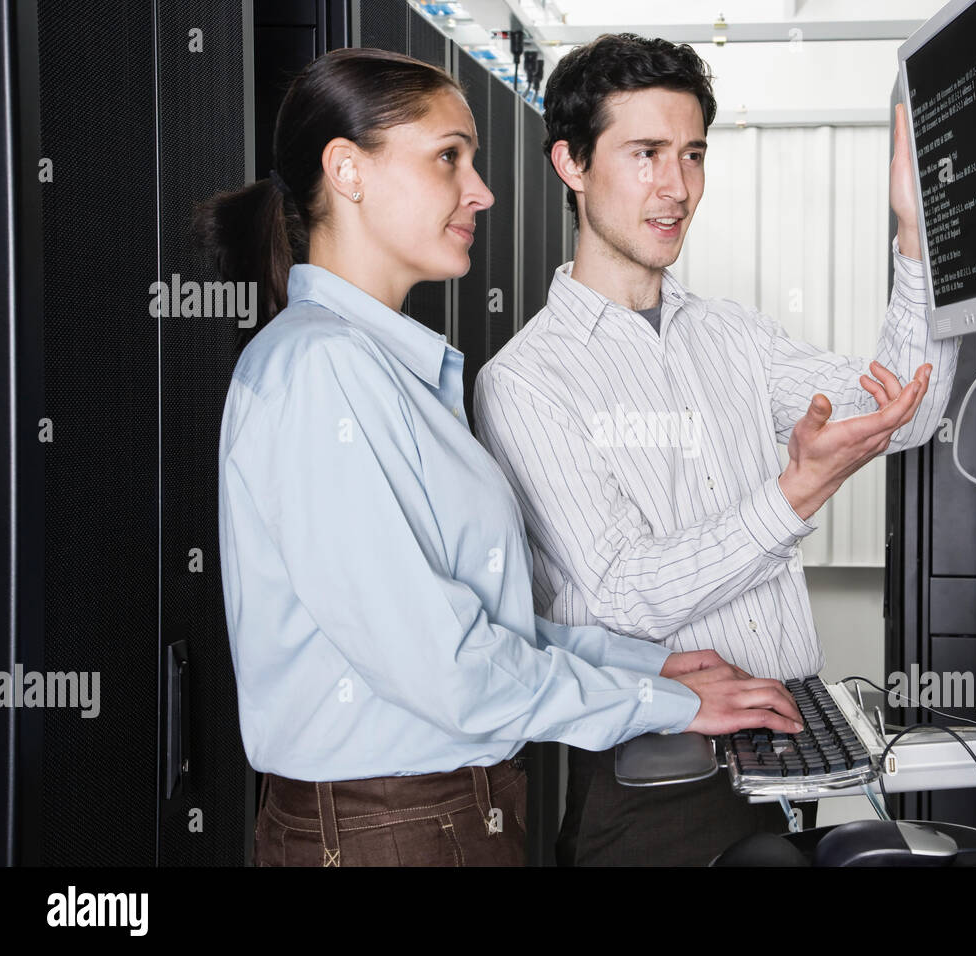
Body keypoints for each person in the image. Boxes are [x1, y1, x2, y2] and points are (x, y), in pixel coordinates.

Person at [198, 46, 801, 868]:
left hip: (436, 815)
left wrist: (653, 663)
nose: (480, 190)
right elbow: (448, 669)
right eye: (449, 158)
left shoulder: (386, 369)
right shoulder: (321, 373)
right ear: (348, 171)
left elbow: (487, 627)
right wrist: (659, 698)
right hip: (389, 830)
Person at [472, 33, 961, 866]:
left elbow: (901, 411)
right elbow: (627, 594)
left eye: (693, 155)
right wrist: (795, 494)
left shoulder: (730, 335)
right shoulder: (526, 380)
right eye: (646, 154)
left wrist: (916, 235)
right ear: (572, 165)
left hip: (782, 750)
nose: (677, 188)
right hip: (655, 785)